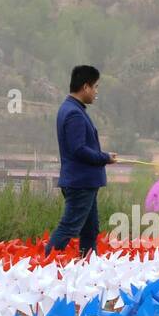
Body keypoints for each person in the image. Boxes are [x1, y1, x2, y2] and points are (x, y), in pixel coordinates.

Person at [45, 65, 117, 257]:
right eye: (95, 87)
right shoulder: (74, 113)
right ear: (85, 87)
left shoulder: (72, 109)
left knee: (90, 230)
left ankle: (88, 266)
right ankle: (44, 263)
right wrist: (105, 158)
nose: (96, 92)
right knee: (68, 228)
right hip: (80, 182)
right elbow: (79, 150)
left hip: (84, 182)